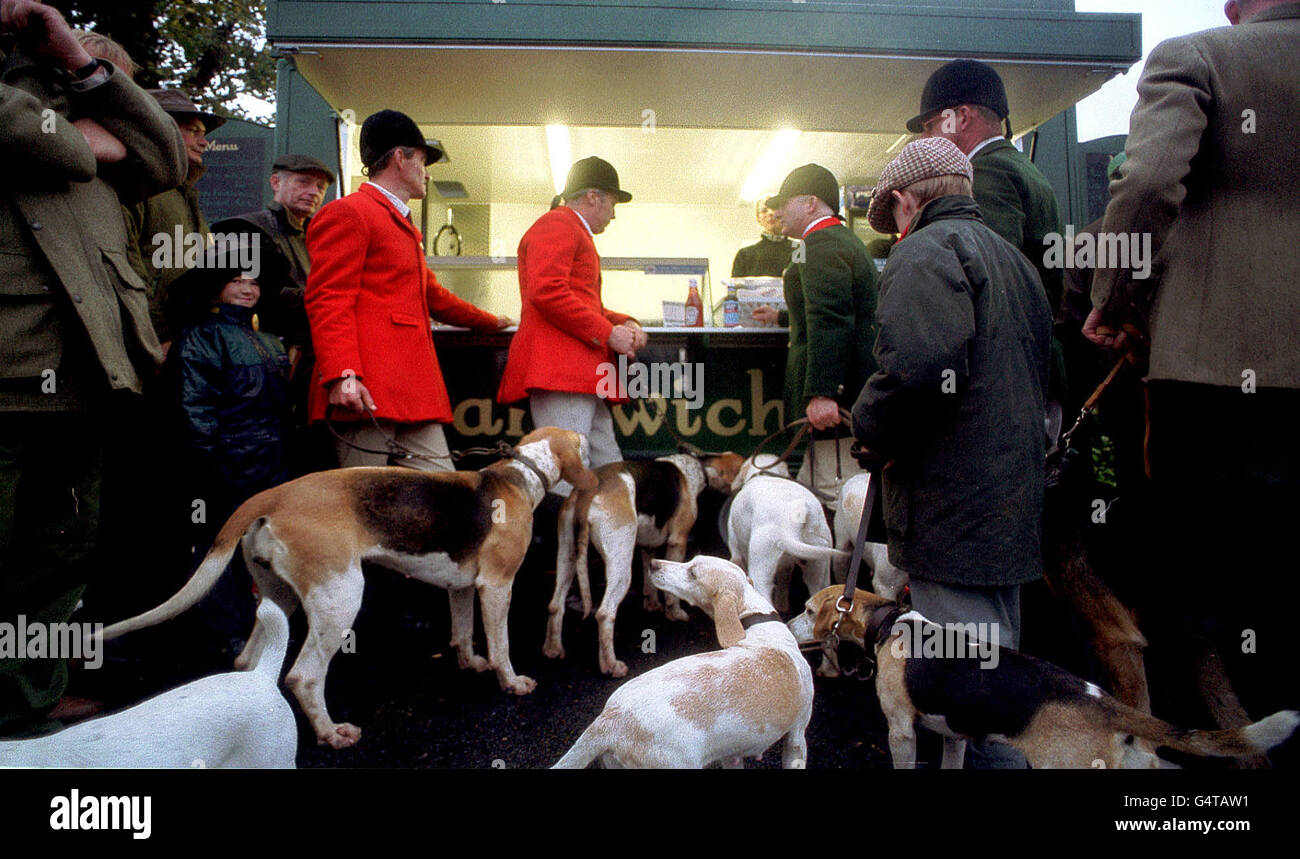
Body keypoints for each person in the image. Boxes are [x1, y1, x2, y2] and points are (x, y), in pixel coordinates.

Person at [1084, 0, 1300, 735]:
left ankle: (1206, 789)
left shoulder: (1199, 56)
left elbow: (1146, 187)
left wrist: (1112, 299)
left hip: (1213, 379)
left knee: (1198, 605)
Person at [0, 0, 186, 736]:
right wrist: (78, 140)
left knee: (55, 560)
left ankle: (27, 695)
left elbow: (165, 157)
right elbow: (64, 148)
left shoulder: (84, 95)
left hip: (85, 377)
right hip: (11, 373)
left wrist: (83, 67)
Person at [853, 137, 1052, 768]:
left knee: (974, 699)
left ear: (907, 201)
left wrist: (870, 427)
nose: (895, 233)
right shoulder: (1014, 262)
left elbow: (919, 367)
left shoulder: (925, 253)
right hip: (1009, 500)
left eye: (895, 219)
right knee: (1000, 674)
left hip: (951, 501)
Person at [306, 109, 510, 471]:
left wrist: (491, 321)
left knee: (444, 496)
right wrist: (342, 374)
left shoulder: (395, 219)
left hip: (410, 391)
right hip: (365, 388)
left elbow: (434, 297)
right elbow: (328, 299)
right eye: (421, 159)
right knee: (366, 509)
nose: (427, 172)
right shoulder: (350, 213)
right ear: (399, 158)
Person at [171, 237, 292, 652]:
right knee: (219, 552)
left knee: (263, 551)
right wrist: (206, 462)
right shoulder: (202, 336)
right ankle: (226, 636)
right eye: (236, 280)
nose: (247, 288)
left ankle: (260, 634)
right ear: (216, 287)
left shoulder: (271, 340)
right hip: (225, 465)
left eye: (254, 282)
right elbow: (195, 405)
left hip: (270, 464)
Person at [497, 156, 646, 490]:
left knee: (606, 462)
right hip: (563, 372)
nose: (613, 213)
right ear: (593, 196)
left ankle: (606, 537)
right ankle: (565, 542)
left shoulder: (566, 227)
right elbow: (546, 291)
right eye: (612, 202)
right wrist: (609, 333)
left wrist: (626, 323)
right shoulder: (559, 224)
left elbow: (579, 300)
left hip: (577, 374)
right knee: (570, 469)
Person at [908, 59, 1064, 315]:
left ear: (963, 117)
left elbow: (983, 279)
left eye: (929, 126)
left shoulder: (985, 173)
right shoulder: (1020, 166)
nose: (925, 138)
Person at [214, 154, 336, 475]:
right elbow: (255, 298)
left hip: (309, 360)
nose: (314, 191)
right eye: (304, 182)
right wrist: (326, 299)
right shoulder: (244, 228)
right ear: (276, 183)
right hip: (260, 364)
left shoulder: (316, 236)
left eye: (321, 186)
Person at [764, 164, 877, 502]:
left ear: (811, 203)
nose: (778, 211)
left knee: (835, 494)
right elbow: (829, 308)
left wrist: (824, 392)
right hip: (847, 395)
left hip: (835, 404)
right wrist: (782, 315)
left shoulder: (821, 243)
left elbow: (831, 319)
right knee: (827, 492)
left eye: (786, 202)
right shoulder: (835, 240)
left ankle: (842, 558)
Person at [125, 88, 225, 351]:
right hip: (149, 343)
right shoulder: (138, 188)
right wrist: (157, 335)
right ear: (159, 127)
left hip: (189, 340)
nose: (204, 143)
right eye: (193, 131)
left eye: (203, 134)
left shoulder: (184, 194)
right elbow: (128, 268)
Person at [731, 197, 795, 278]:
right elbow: (735, 288)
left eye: (775, 208)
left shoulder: (799, 250)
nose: (770, 213)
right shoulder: (744, 255)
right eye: (764, 211)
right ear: (758, 218)